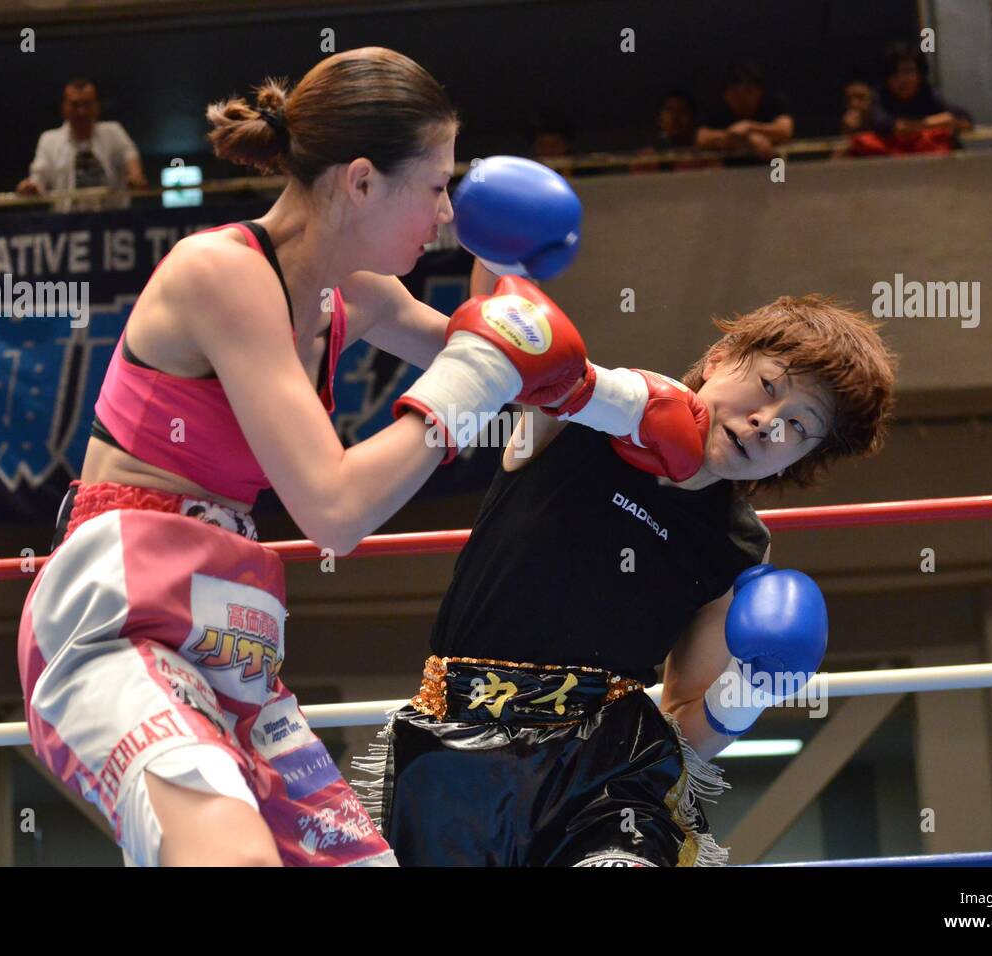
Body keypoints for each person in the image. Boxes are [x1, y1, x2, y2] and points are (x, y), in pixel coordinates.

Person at [17, 47, 588, 868]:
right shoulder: (220, 272)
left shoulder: (352, 291)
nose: (445, 216)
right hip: (117, 611)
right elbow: (335, 508)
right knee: (229, 859)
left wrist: (507, 268)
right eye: (435, 187)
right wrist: (476, 377)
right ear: (360, 181)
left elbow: (505, 370)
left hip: (228, 627)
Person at [353, 161, 898, 866]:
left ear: (802, 459)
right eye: (766, 388)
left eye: (798, 428)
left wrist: (750, 690)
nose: (767, 423)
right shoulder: (577, 417)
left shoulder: (737, 547)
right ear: (720, 355)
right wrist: (494, 237)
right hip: (452, 742)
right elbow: (497, 335)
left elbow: (684, 722)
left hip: (604, 770)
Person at [16, 78, 148, 211]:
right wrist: (32, 186)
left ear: (97, 106)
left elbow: (129, 154)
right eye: (75, 105)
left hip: (113, 221)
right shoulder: (49, 140)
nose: (81, 112)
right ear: (64, 107)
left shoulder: (113, 131)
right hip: (68, 224)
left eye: (87, 104)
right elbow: (40, 173)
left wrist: (135, 174)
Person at [848, 42, 973, 157]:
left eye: (908, 71)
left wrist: (953, 121)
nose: (902, 79)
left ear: (919, 75)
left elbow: (962, 117)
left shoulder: (926, 92)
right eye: (894, 73)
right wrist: (935, 122)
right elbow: (884, 124)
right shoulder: (880, 95)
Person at [695, 61, 794, 164]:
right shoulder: (718, 110)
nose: (743, 99)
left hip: (773, 172)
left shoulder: (773, 104)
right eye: (735, 93)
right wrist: (748, 140)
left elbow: (785, 131)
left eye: (749, 91)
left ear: (760, 91)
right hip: (729, 175)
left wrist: (749, 126)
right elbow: (701, 138)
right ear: (726, 95)